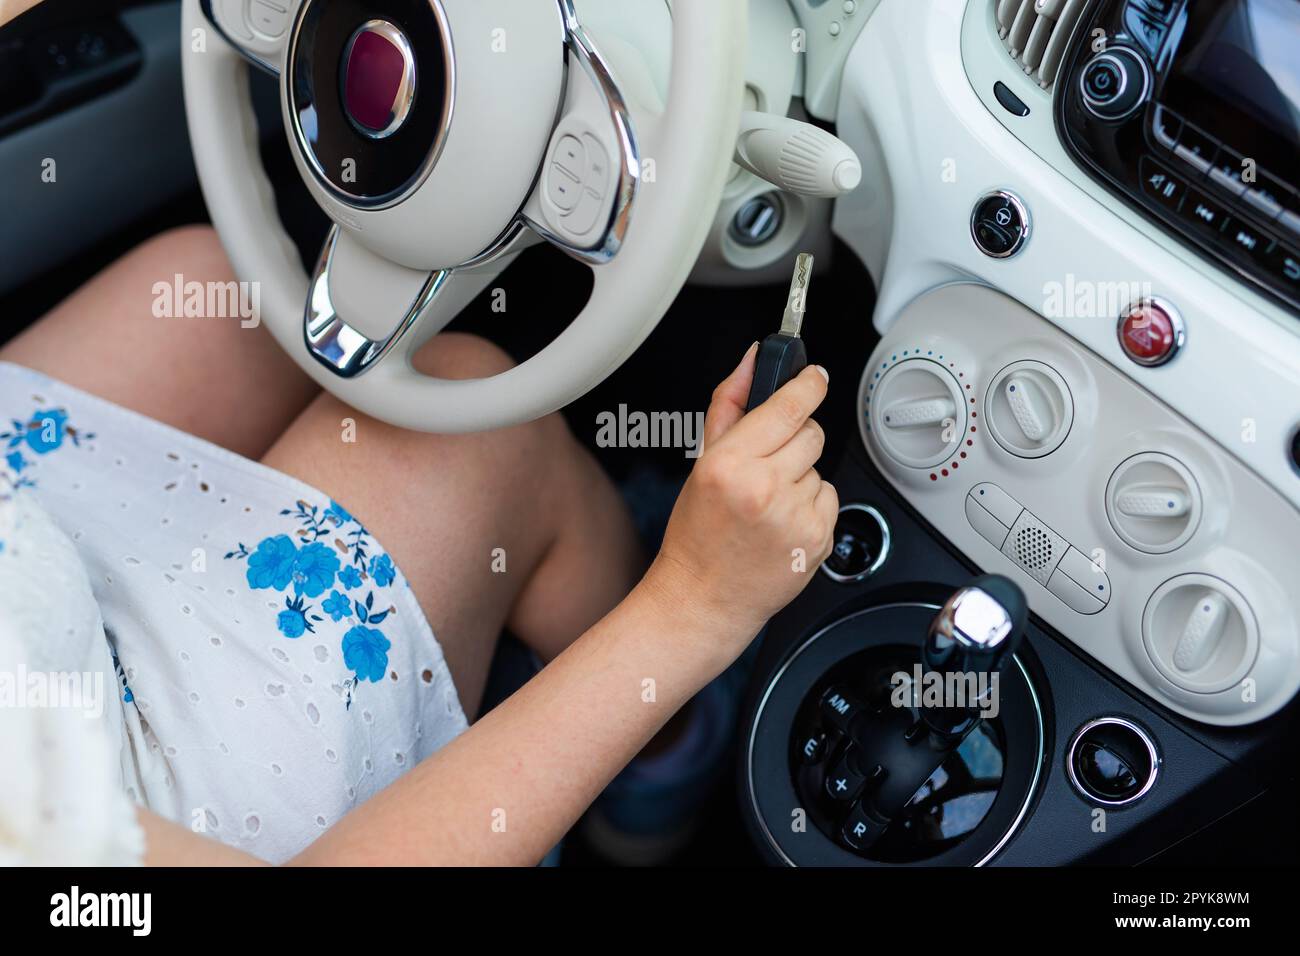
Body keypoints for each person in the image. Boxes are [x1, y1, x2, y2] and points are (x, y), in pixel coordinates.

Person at [0, 225, 837, 865]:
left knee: (216, 295)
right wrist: (694, 602)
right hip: (139, 802)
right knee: (474, 418)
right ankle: (667, 752)